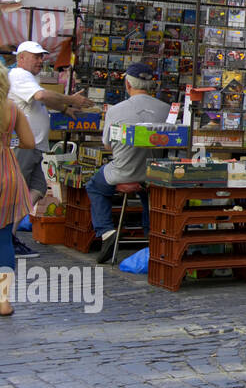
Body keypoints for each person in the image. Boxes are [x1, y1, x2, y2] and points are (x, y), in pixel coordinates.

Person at [9, 41, 93, 258]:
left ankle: (9, 234)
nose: (40, 60)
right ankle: (7, 237)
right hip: (25, 145)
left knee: (36, 188)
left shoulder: (28, 78)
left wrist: (65, 108)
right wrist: (69, 99)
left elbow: (40, 102)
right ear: (21, 58)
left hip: (34, 145)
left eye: (41, 56)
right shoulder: (19, 75)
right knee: (19, 192)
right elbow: (41, 96)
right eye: (35, 56)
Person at [88, 63, 171, 263]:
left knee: (94, 186)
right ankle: (152, 235)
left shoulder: (116, 110)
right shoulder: (167, 109)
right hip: (156, 173)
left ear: (127, 84)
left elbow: (107, 145)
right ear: (152, 85)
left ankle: (107, 232)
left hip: (123, 172)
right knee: (149, 194)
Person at [0, 67, 38, 316]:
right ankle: (3, 301)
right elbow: (29, 142)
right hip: (6, 174)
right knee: (3, 238)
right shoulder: (11, 108)